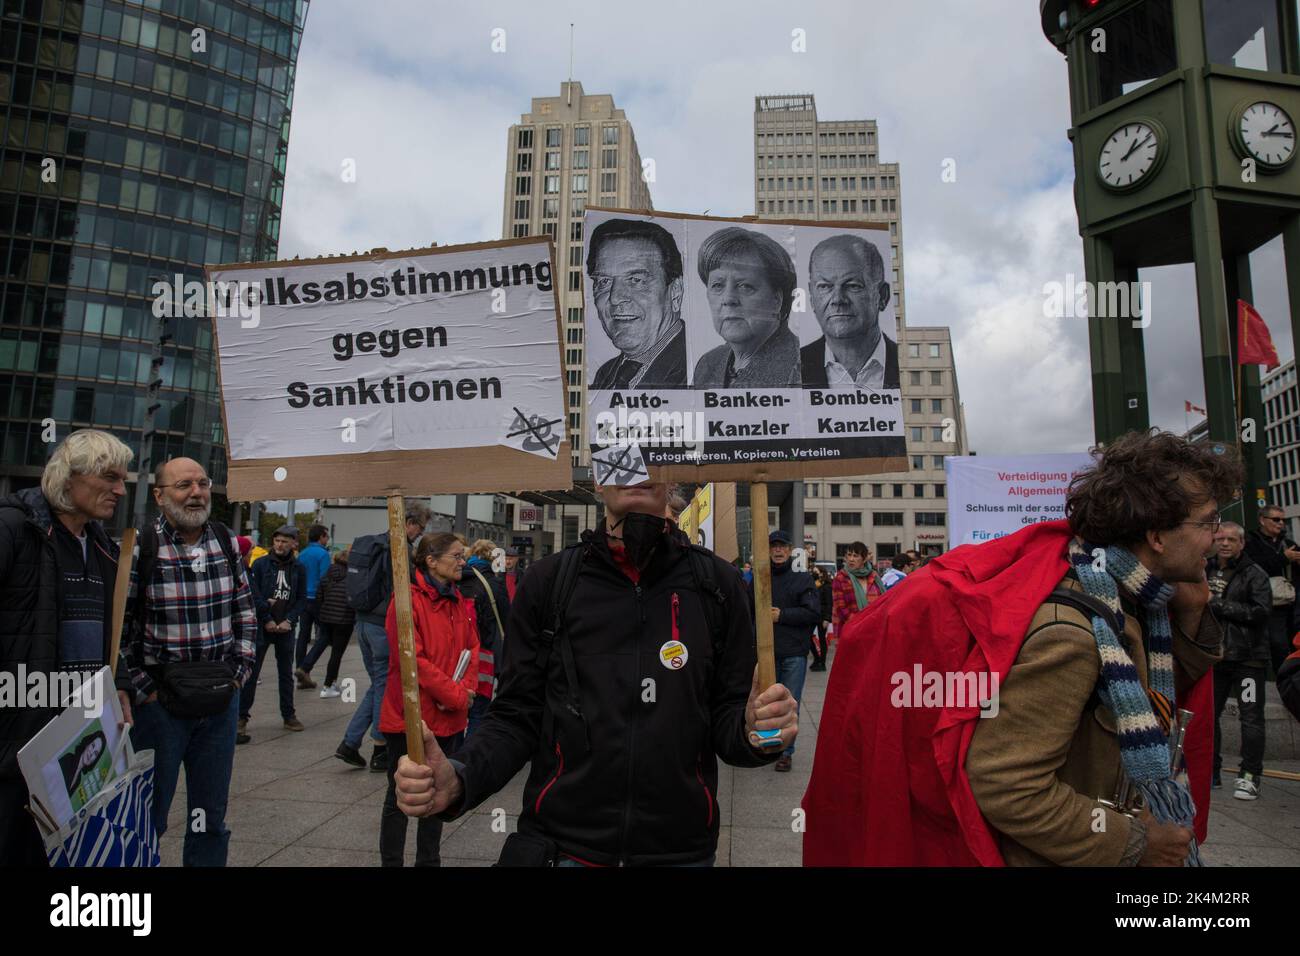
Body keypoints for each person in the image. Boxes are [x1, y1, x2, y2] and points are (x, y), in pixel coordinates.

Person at [805, 429, 1237, 866]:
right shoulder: (1074, 636)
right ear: (1157, 536)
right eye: (1208, 522)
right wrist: (1132, 842)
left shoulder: (1140, 602)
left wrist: (1192, 615)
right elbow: (1006, 784)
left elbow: (1151, 703)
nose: (1217, 537)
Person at [393, 481, 798, 867]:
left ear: (672, 476)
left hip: (680, 850)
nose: (637, 466)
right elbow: (516, 715)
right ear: (600, 479)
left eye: (652, 454)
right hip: (562, 846)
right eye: (620, 451)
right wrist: (460, 778)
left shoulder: (718, 585)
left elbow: (730, 722)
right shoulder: (549, 582)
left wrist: (759, 730)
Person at [0, 429, 135, 866]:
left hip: (74, 740)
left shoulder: (102, 546)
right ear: (69, 475)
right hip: (15, 734)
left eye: (122, 479)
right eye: (109, 477)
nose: (120, 489)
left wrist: (121, 683)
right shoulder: (12, 527)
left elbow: (109, 634)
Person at [124, 457, 258, 867]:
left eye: (202, 483)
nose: (196, 492)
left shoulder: (224, 540)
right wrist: (143, 690)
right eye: (183, 485)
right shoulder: (141, 547)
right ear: (160, 495)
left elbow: (245, 612)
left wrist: (239, 673)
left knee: (210, 818)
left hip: (219, 702)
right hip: (161, 708)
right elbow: (120, 630)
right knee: (148, 817)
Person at [378, 533, 478, 866]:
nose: (462, 561)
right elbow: (411, 659)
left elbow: (473, 647)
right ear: (431, 560)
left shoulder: (459, 600)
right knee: (400, 795)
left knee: (439, 793)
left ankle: (428, 862)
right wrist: (456, 694)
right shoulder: (406, 601)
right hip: (410, 715)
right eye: (456, 555)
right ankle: (392, 862)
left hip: (449, 717)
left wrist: (463, 691)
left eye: (463, 555)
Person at [336, 500, 431, 773]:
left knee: (378, 683)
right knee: (386, 686)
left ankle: (350, 743)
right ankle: (380, 748)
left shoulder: (374, 543)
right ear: (410, 523)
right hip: (382, 626)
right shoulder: (399, 549)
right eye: (420, 528)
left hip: (363, 624)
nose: (420, 534)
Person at [1207, 521, 1271, 800]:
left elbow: (1260, 612)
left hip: (1248, 658)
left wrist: (1216, 603)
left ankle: (1250, 775)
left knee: (1251, 718)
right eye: (1220, 538)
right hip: (1215, 656)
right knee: (1210, 715)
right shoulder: (1205, 568)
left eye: (1231, 539)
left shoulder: (1254, 574)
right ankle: (1212, 771)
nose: (1224, 544)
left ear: (1242, 544)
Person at [692, 226, 800, 388]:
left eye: (745, 286)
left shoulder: (799, 367)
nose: (728, 299)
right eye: (717, 285)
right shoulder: (707, 365)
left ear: (777, 299)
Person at [586, 218, 687, 389]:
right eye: (604, 281)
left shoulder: (701, 371)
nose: (615, 298)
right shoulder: (605, 374)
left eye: (636, 280)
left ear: (675, 292)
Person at [801, 234, 900, 389]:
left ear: (882, 296)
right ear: (812, 297)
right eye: (825, 287)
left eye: (853, 286)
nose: (837, 299)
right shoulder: (788, 369)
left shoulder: (910, 365)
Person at [239, 525, 306, 742]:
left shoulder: (298, 568)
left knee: (286, 673)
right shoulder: (260, 564)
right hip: (263, 626)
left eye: (285, 541)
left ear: (294, 544)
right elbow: (253, 594)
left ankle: (289, 715)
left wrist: (289, 620)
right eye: (277, 540)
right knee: (252, 673)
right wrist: (266, 618)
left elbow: (302, 598)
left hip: (286, 628)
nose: (280, 544)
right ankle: (241, 717)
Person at [767, 530, 819, 772]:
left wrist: (782, 615)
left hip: (794, 654)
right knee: (766, 705)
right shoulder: (760, 577)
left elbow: (812, 613)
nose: (778, 550)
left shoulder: (803, 579)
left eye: (782, 546)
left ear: (789, 550)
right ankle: (769, 746)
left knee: (789, 705)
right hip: (766, 653)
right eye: (773, 546)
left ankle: (786, 752)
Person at [1244, 503, 1300, 679]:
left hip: (1292, 602)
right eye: (1276, 519)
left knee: (1295, 641)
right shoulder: (1251, 543)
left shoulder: (1289, 543)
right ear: (1262, 520)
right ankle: (1285, 682)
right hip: (1269, 602)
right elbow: (1255, 568)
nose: (1281, 523)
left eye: (1282, 520)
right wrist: (1283, 558)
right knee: (1278, 644)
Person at [459, 539, 508, 738]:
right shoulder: (494, 584)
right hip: (485, 652)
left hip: (458, 651)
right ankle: (469, 758)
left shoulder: (458, 579)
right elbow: (507, 618)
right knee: (479, 709)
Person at [293, 524, 331, 687]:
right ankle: (305, 666)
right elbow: (325, 579)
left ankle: (301, 671)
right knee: (326, 634)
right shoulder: (323, 554)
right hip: (317, 599)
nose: (327, 539)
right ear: (321, 537)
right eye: (326, 536)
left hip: (303, 599)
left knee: (303, 634)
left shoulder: (302, 554)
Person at [314, 549, 356, 700]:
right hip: (344, 620)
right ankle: (329, 684)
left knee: (326, 647)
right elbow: (353, 600)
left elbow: (319, 596)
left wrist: (321, 615)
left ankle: (327, 682)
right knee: (336, 654)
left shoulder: (327, 576)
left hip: (326, 618)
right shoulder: (351, 578)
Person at [831, 542, 881, 637]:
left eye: (856, 556)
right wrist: (861, 623)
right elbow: (840, 608)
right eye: (849, 555)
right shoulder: (841, 578)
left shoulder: (874, 577)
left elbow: (882, 601)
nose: (851, 559)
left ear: (864, 558)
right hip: (851, 631)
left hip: (874, 630)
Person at [807, 544, 833, 672]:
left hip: (822, 616)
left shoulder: (826, 586)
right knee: (808, 637)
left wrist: (827, 618)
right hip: (813, 615)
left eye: (816, 571)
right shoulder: (813, 585)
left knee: (822, 639)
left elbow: (829, 603)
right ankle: (816, 658)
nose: (814, 573)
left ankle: (821, 661)